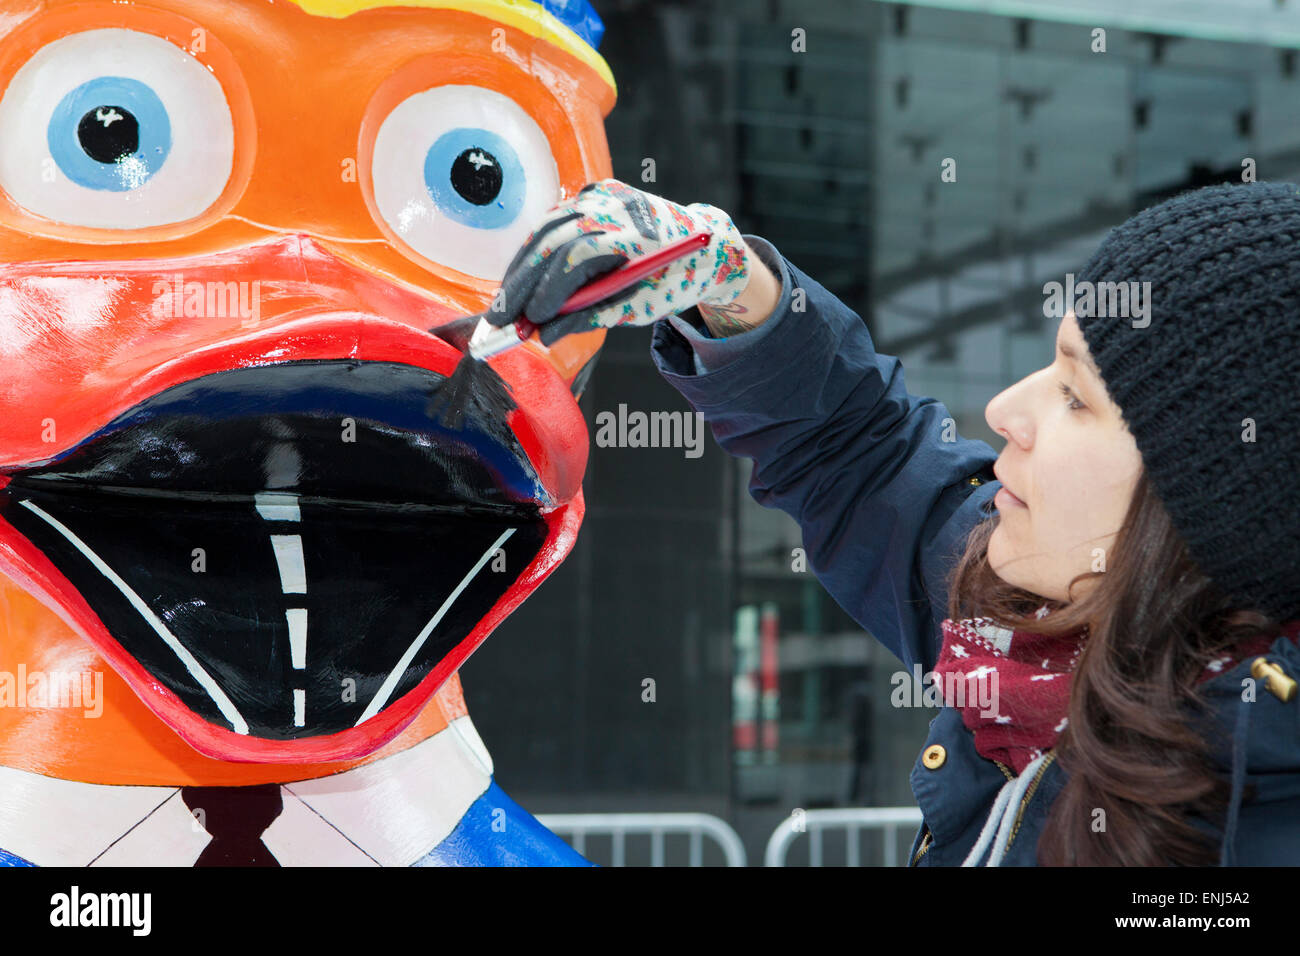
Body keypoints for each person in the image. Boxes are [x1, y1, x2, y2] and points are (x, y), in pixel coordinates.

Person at [485, 178, 1300, 865]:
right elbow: (861, 453)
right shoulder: (1034, 613)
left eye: (1076, 397)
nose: (1005, 409)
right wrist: (730, 284)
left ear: (1215, 506)